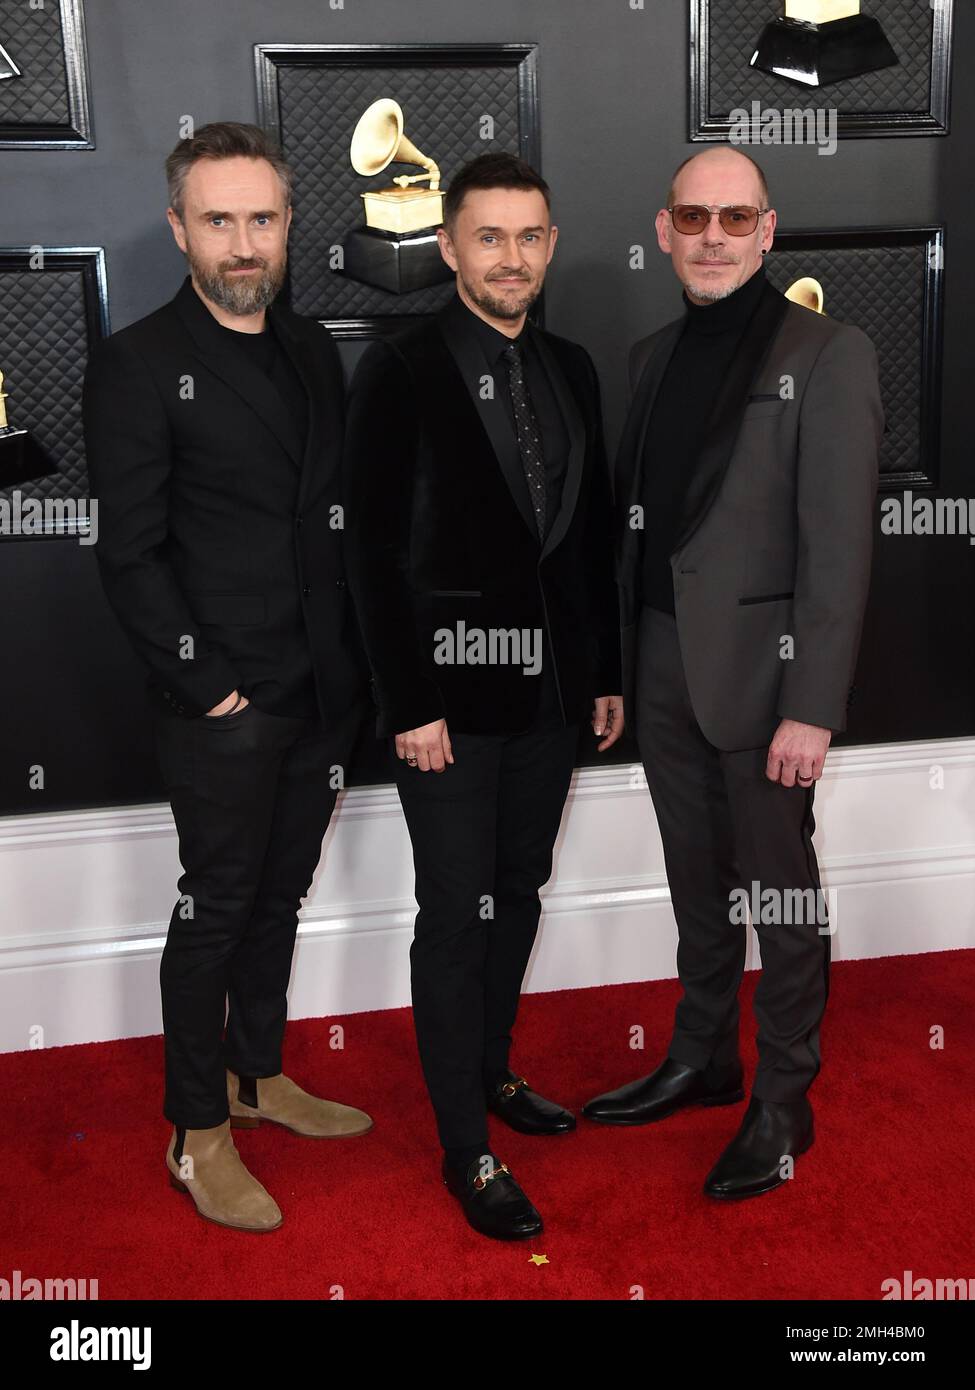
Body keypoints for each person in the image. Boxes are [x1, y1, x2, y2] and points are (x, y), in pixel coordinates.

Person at [82, 121, 372, 1234]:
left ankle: (258, 1075)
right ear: (178, 228)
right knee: (214, 912)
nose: (242, 242)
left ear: (288, 225)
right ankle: (196, 1130)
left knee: (278, 896)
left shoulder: (307, 347)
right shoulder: (140, 361)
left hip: (316, 693)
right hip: (223, 706)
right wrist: (212, 688)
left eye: (261, 217)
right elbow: (130, 553)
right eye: (219, 220)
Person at [584, 148, 883, 1200]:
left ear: (768, 230)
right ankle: (704, 1056)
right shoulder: (651, 355)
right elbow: (642, 529)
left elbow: (839, 548)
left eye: (735, 217)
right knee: (694, 880)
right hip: (663, 662)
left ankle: (784, 1096)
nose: (713, 235)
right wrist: (622, 665)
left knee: (778, 892)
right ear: (664, 228)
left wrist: (813, 708)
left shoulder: (829, 353)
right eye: (693, 216)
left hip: (768, 679)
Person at [344, 152, 623, 1240]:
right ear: (450, 246)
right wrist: (408, 701)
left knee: (521, 890)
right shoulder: (401, 369)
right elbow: (368, 553)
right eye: (490, 237)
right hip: (445, 715)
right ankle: (467, 1148)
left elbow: (589, 538)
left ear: (549, 246)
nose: (512, 257)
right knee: (454, 916)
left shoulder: (573, 365)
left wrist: (599, 676)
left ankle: (493, 1072)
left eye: (531, 237)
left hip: (553, 704)